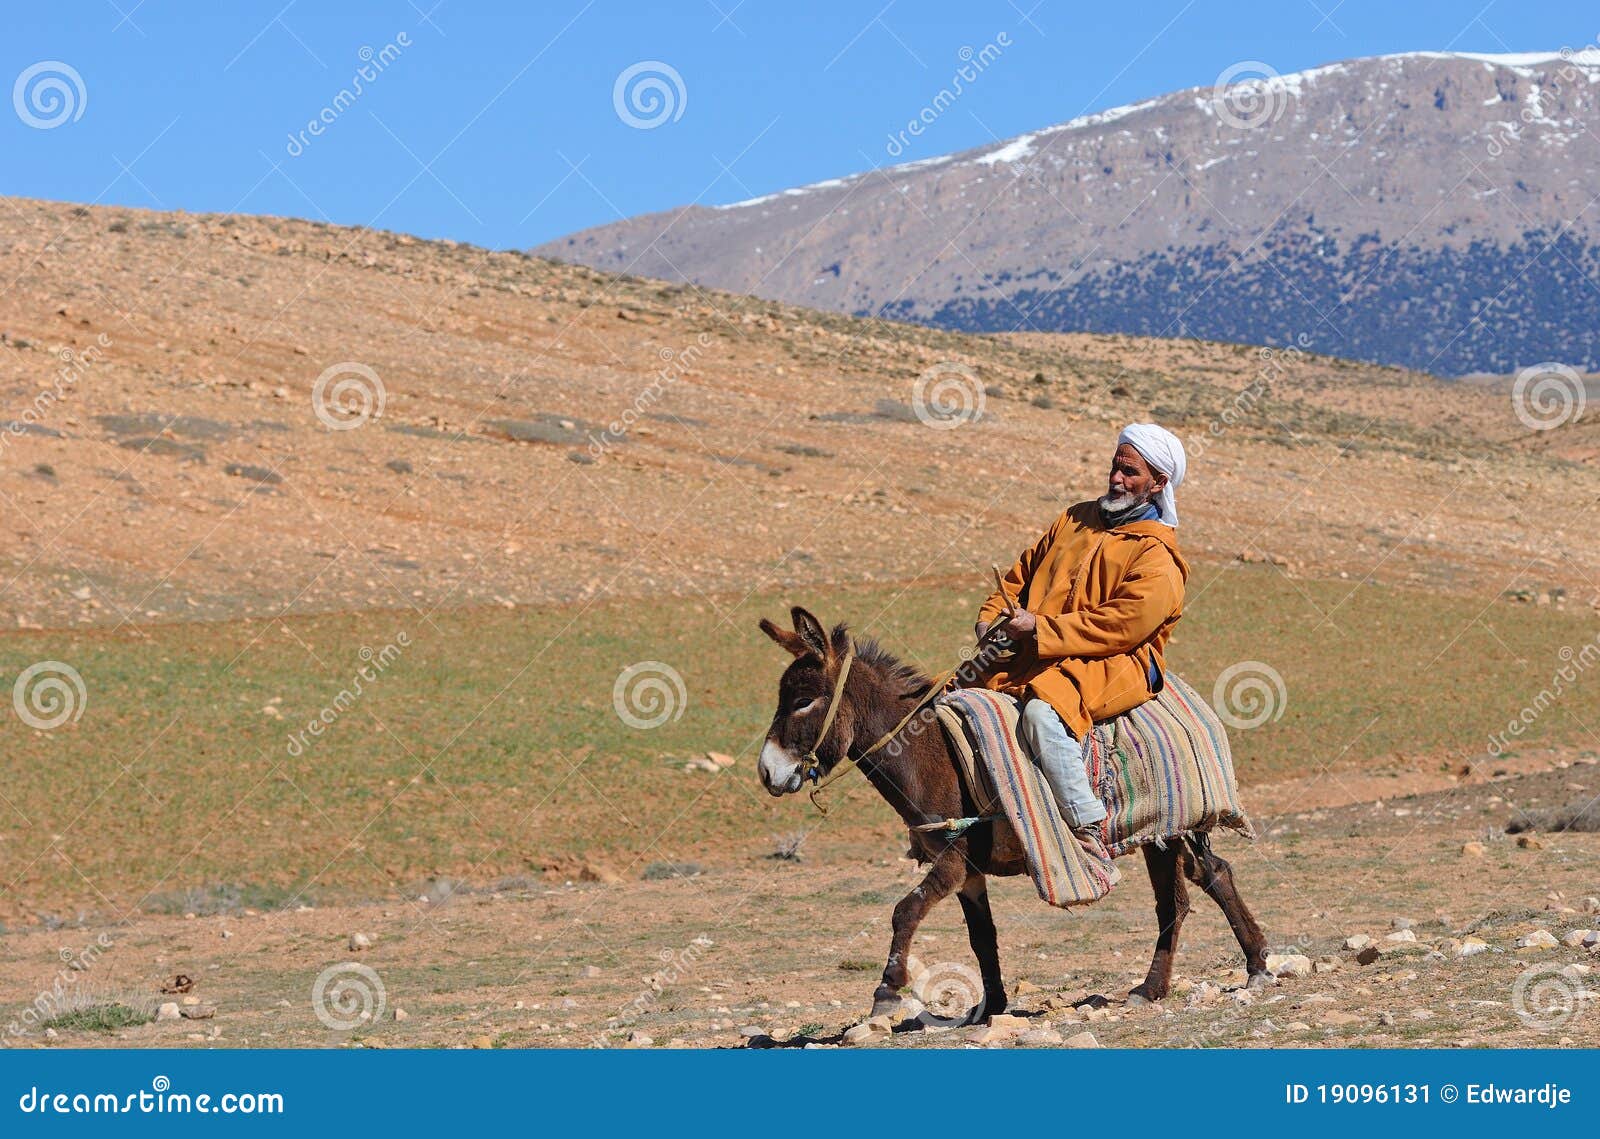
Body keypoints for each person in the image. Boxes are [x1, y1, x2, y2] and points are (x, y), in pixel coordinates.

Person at [972, 423, 1189, 830]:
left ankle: (1087, 827)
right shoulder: (1076, 518)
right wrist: (990, 619)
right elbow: (1019, 576)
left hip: (1114, 661)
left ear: (1158, 483)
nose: (1116, 479)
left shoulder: (1157, 555)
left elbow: (1122, 627)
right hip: (1038, 648)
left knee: (1041, 714)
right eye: (1114, 467)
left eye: (1130, 472)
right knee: (955, 692)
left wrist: (1039, 628)